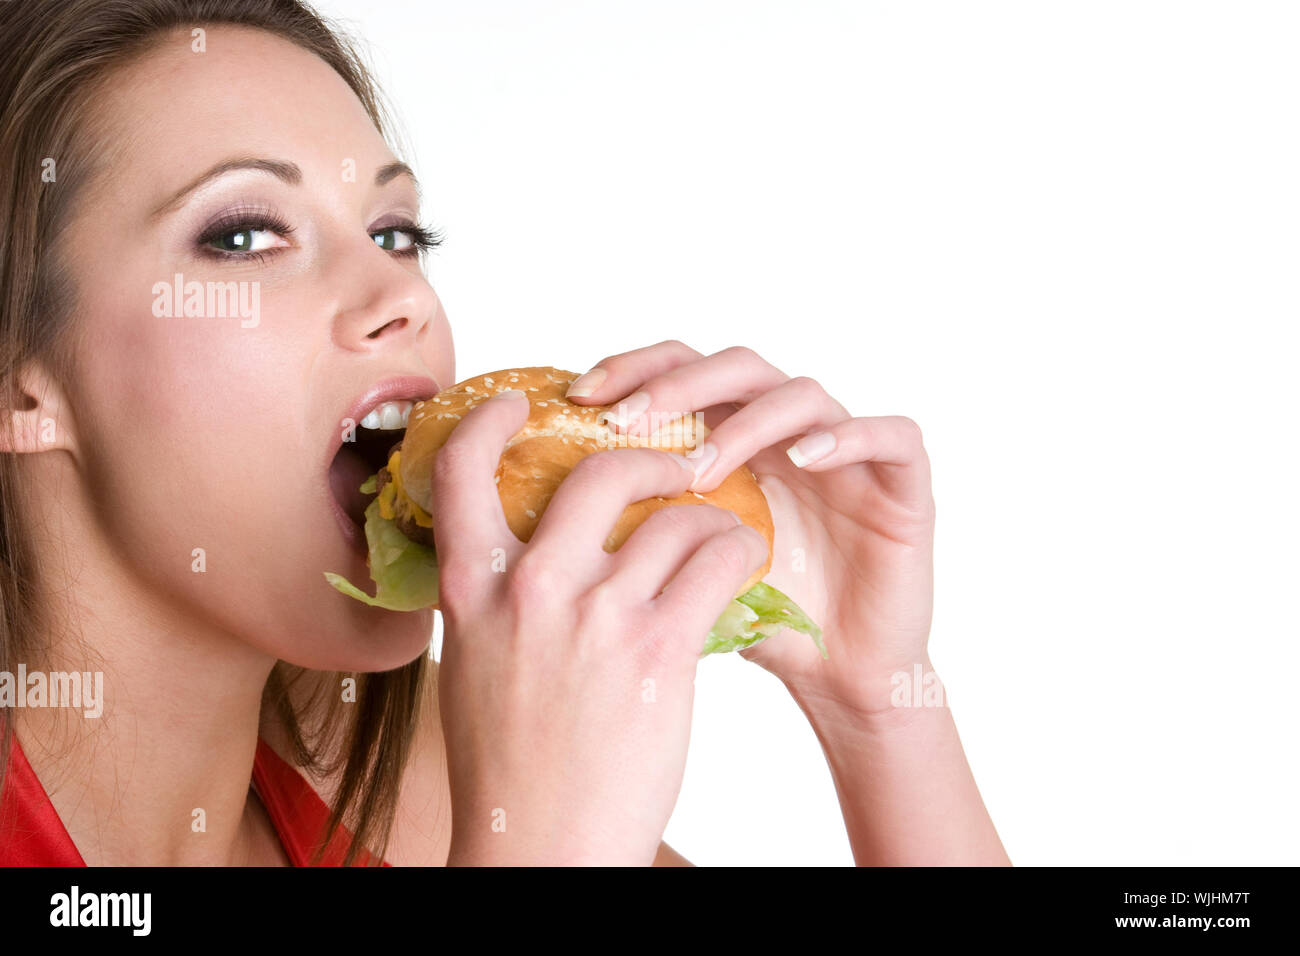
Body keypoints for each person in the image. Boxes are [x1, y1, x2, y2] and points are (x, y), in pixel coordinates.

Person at [0, 0, 1009, 866]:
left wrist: (876, 703)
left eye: (396, 233)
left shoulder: (407, 768)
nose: (399, 295)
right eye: (243, 235)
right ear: (22, 387)